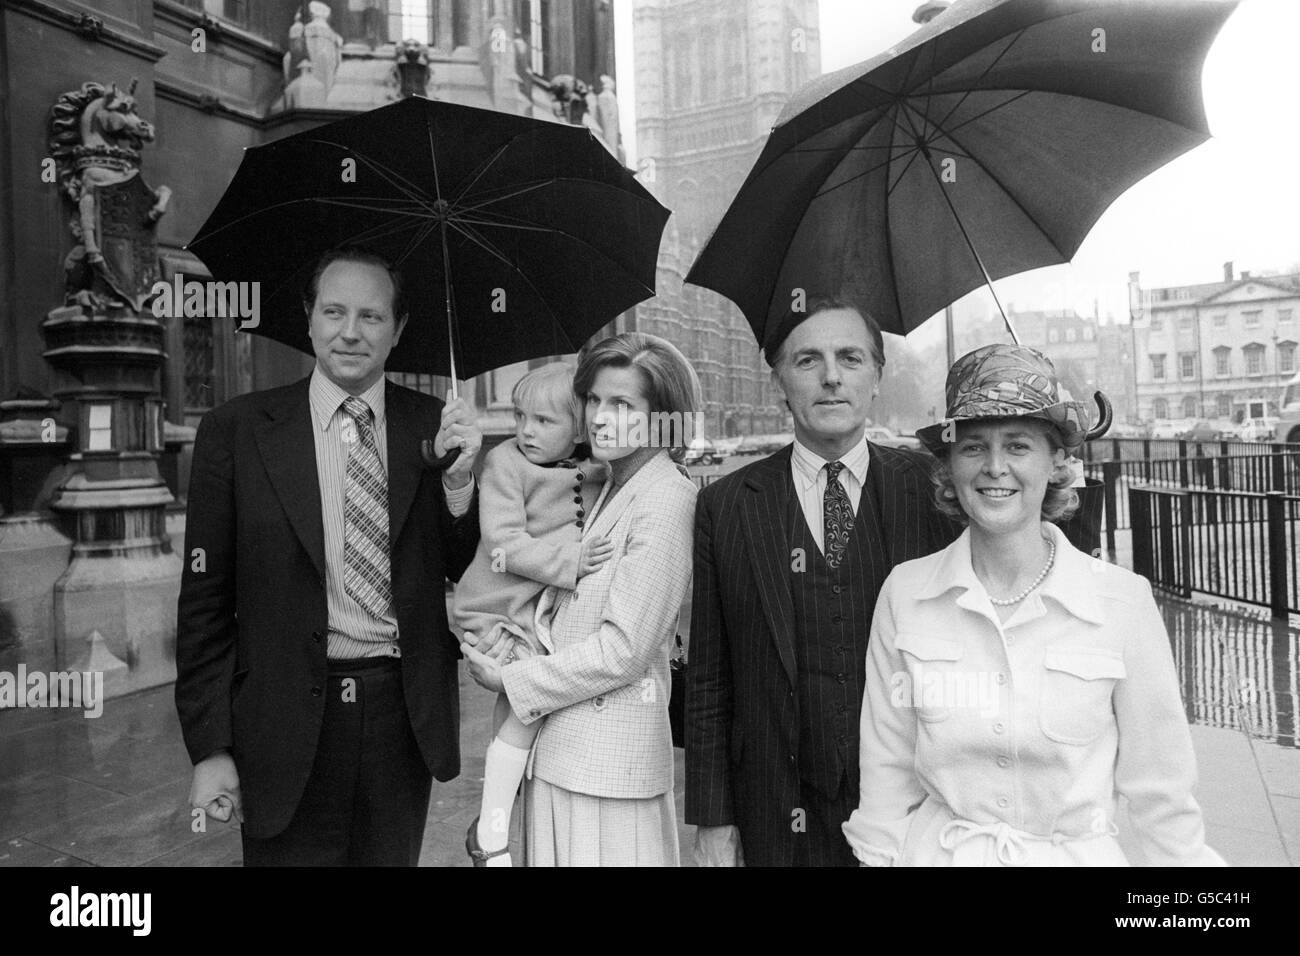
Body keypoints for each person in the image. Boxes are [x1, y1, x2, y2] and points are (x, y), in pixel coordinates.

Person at [842, 344, 1225, 866]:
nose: (995, 467)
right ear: (950, 465)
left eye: (1018, 446)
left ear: (1057, 462)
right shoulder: (906, 594)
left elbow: (1162, 796)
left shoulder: (1121, 603)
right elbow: (887, 776)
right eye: (974, 447)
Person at [175, 245, 482, 866]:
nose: (350, 332)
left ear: (396, 331)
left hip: (403, 719)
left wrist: (459, 484)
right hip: (280, 725)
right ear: (309, 318)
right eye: (334, 311)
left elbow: (465, 568)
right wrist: (210, 749)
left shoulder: (437, 430)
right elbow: (204, 604)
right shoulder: (236, 431)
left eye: (371, 317)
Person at [685, 296, 958, 867]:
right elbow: (710, 677)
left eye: (851, 358)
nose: (831, 377)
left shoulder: (934, 493)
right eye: (807, 360)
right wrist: (713, 818)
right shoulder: (726, 506)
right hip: (774, 811)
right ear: (779, 381)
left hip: (910, 809)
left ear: (877, 377)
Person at [460, 332, 700, 866]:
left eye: (621, 404)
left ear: (663, 417)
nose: (598, 417)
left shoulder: (665, 499)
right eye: (593, 399)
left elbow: (624, 650)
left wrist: (512, 679)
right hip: (563, 759)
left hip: (611, 774)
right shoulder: (608, 485)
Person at [452, 363, 608, 866]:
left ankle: (494, 818)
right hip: (497, 608)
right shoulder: (505, 463)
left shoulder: (597, 467)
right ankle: (492, 830)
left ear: (580, 427)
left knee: (525, 709)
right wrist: (572, 560)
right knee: (527, 703)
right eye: (520, 416)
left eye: (544, 421)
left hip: (535, 611)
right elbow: (502, 542)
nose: (526, 430)